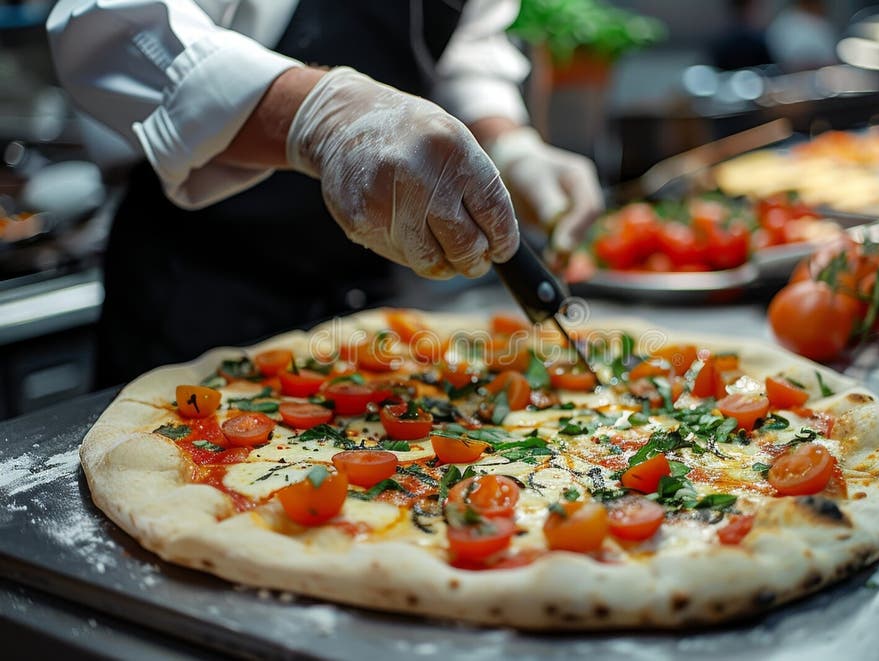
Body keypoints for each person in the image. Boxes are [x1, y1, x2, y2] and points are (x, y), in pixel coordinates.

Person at [46, 0, 603, 385]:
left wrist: (508, 144)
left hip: (367, 307)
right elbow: (112, 26)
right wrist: (320, 114)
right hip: (198, 288)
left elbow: (465, 47)